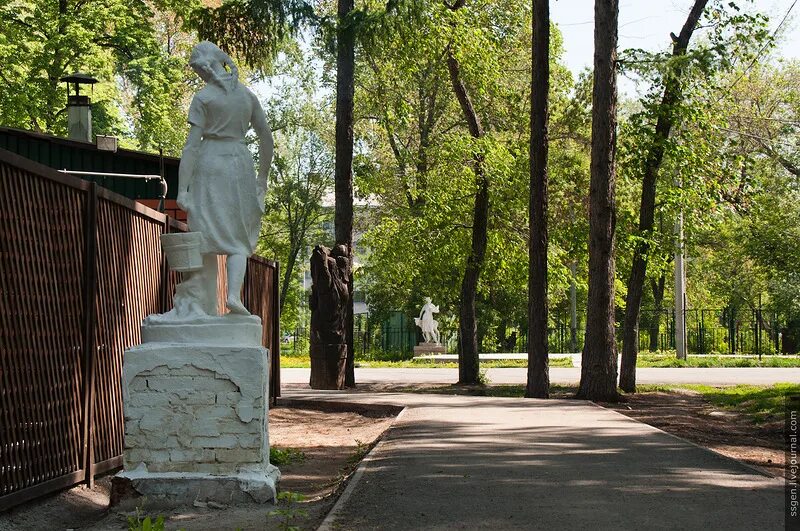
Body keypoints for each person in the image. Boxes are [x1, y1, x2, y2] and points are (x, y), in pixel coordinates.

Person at [177, 41, 273, 315]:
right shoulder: (247, 97)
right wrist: (262, 178)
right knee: (238, 237)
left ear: (208, 68)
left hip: (209, 164)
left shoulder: (204, 98)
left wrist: (182, 190)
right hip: (239, 164)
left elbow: (192, 146)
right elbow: (267, 139)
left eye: (200, 72)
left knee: (203, 233)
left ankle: (202, 305)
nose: (201, 77)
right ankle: (233, 296)